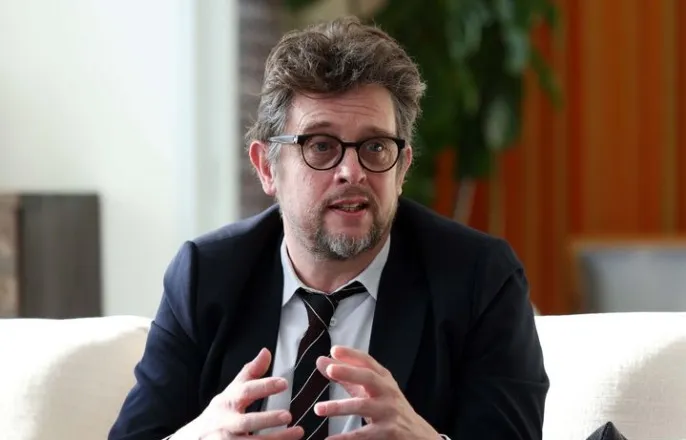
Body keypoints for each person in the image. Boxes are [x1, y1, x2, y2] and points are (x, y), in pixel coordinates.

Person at [109, 15, 549, 440]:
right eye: (321, 146)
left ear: (402, 169)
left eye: (375, 146)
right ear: (267, 168)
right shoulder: (206, 275)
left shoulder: (479, 279)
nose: (352, 171)